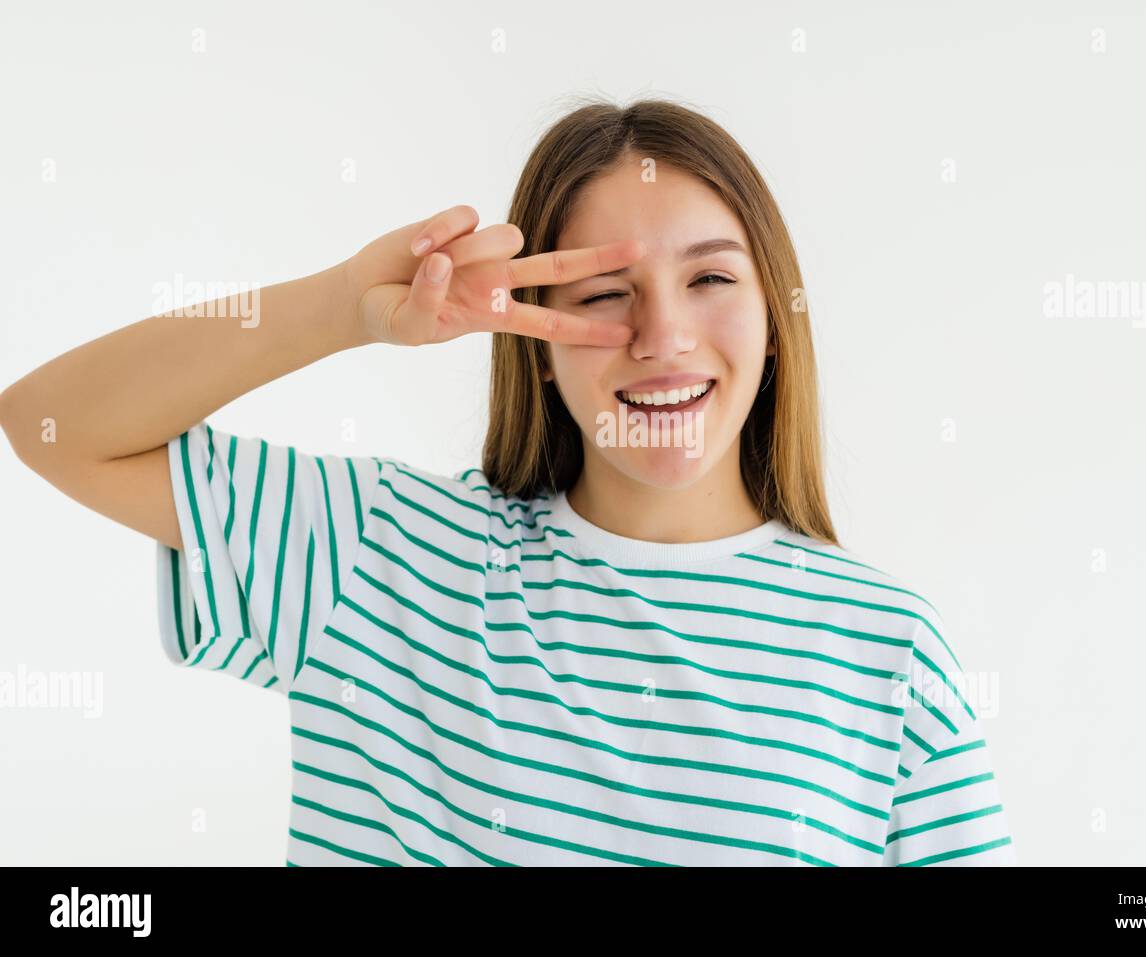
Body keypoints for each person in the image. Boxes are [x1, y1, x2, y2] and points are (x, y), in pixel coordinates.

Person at [0, 97, 1015, 866]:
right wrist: (344, 305)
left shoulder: (890, 652)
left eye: (709, 278)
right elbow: (57, 426)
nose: (661, 337)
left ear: (774, 321)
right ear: (531, 342)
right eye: (603, 293)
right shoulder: (382, 554)